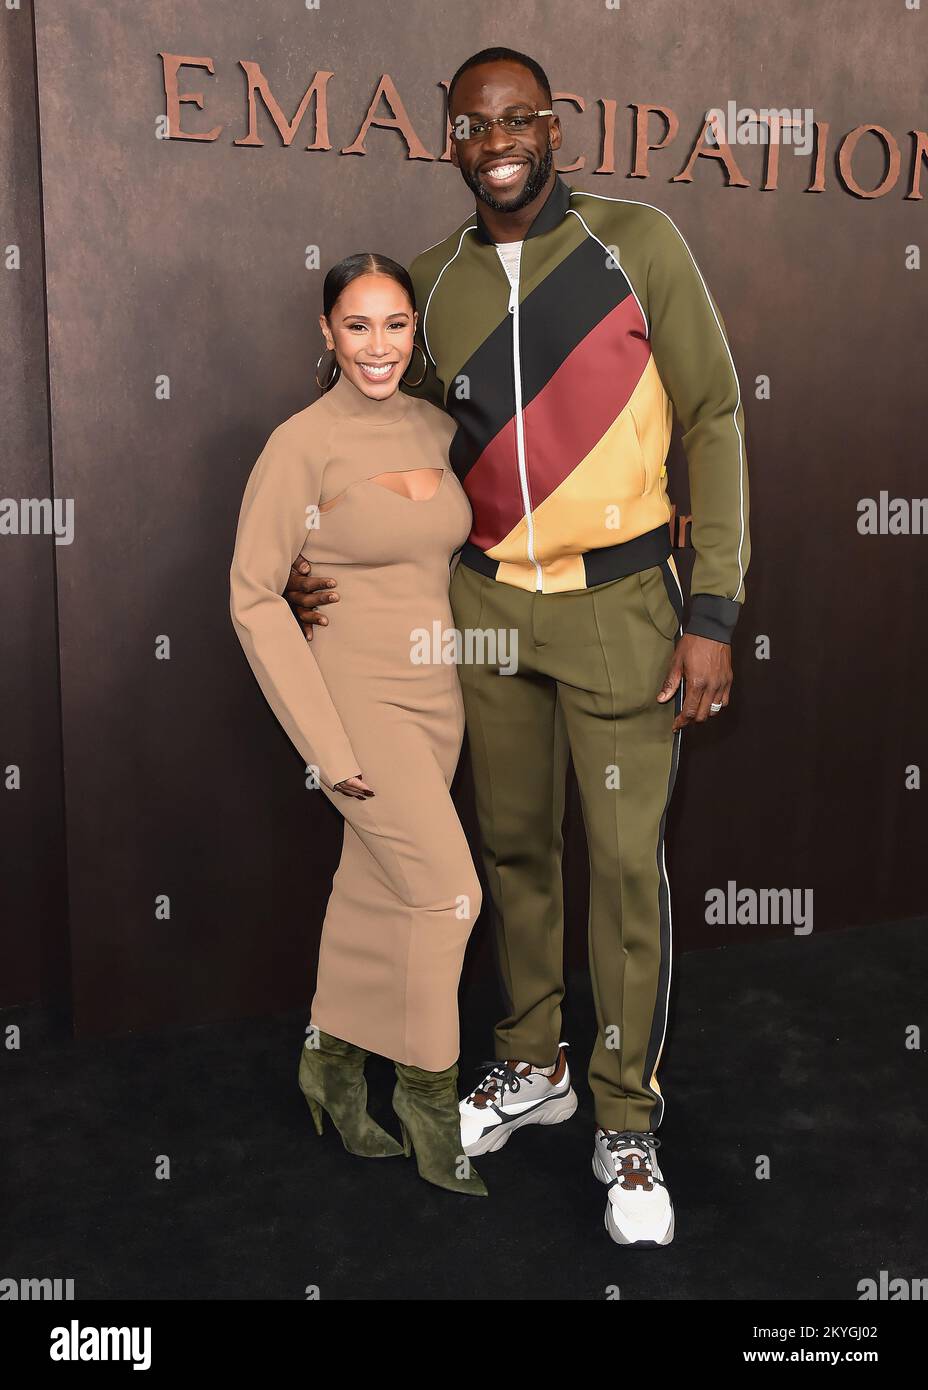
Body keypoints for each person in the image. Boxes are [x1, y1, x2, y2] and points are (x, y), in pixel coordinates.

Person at [284, 47, 751, 1246]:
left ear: (554, 127)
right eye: (472, 122)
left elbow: (714, 412)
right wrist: (309, 552)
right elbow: (388, 440)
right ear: (449, 140)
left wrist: (713, 609)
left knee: (622, 868)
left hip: (624, 607)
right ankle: (530, 1061)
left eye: (517, 117)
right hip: (485, 608)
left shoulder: (634, 246)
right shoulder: (430, 281)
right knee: (513, 850)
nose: (496, 138)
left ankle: (625, 1118)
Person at [229, 253, 486, 1197]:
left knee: (377, 887)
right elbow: (254, 597)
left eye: (395, 325)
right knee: (449, 896)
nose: (378, 346)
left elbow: (454, 552)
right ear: (327, 335)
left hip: (438, 700)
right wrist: (326, 749)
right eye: (357, 326)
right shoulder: (303, 443)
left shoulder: (433, 425)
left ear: (415, 332)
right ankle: (429, 1103)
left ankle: (330, 1068)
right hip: (353, 703)